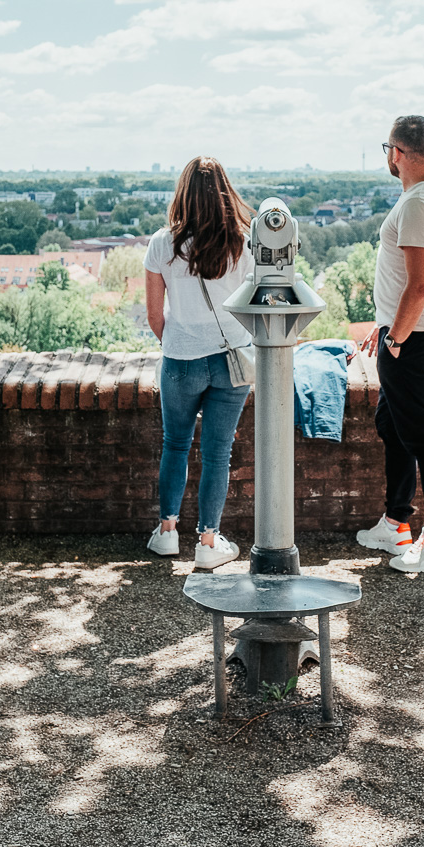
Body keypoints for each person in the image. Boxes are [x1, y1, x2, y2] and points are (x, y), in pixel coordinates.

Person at [356, 115, 424, 573]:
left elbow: (418, 287)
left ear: (396, 153)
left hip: (414, 337)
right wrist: (385, 329)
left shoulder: (419, 204)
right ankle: (397, 522)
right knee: (393, 425)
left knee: (422, 436)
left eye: (387, 150)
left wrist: (395, 338)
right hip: (405, 333)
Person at [144, 156, 255, 570]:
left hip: (181, 360)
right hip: (232, 359)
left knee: (175, 444)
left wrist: (178, 341)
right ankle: (208, 542)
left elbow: (156, 316)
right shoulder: (243, 242)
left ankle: (168, 533)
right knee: (217, 453)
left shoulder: (162, 243)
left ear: (183, 193)